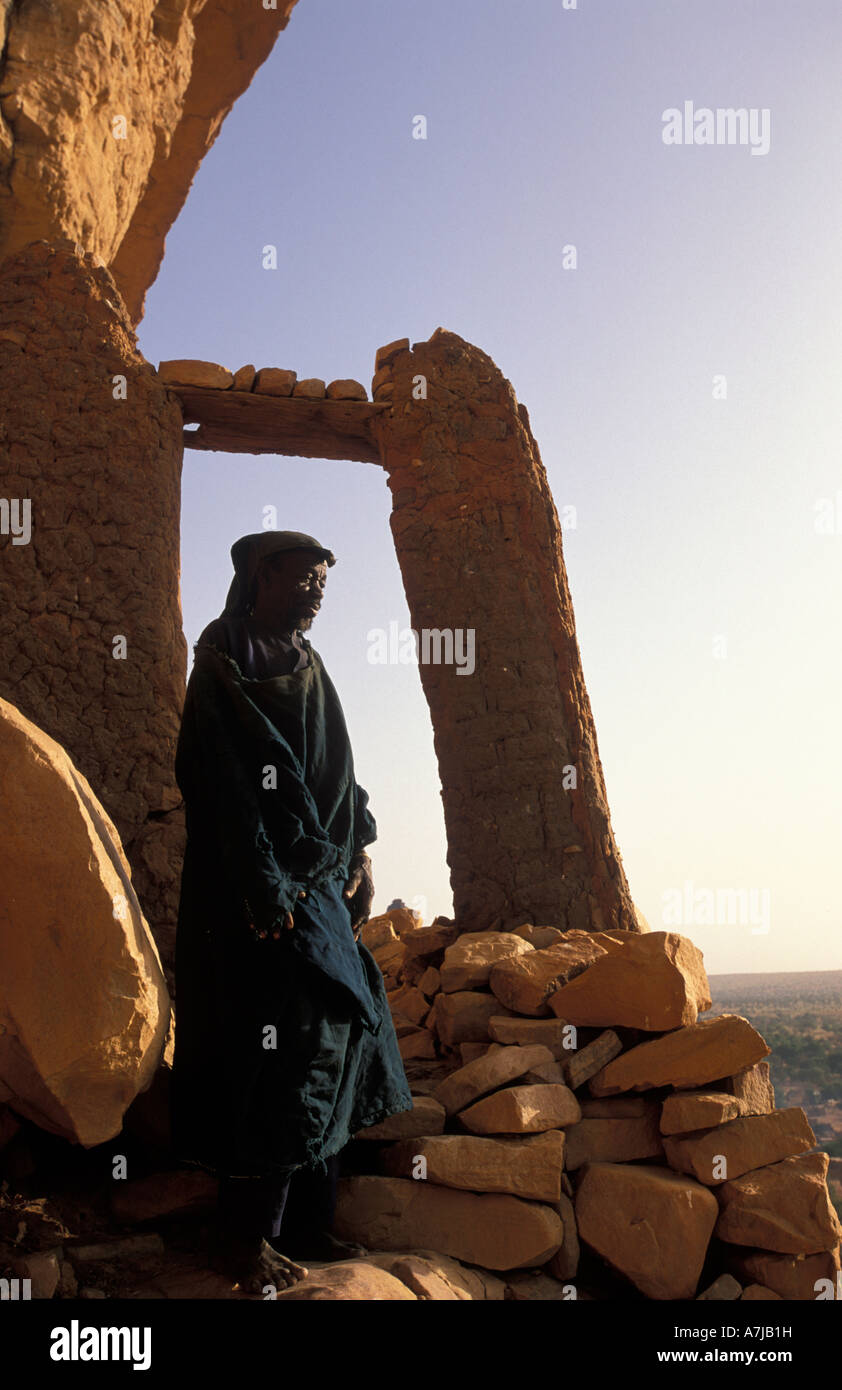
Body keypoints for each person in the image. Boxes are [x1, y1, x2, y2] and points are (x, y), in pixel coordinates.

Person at [169, 530, 413, 1294]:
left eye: (323, 583)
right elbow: (230, 783)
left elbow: (339, 771)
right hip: (260, 890)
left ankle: (307, 1219)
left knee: (343, 1032)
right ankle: (244, 1239)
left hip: (322, 880)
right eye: (304, 578)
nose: (315, 592)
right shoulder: (226, 657)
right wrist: (266, 885)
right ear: (260, 577)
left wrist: (360, 850)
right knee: (285, 1046)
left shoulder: (310, 664)